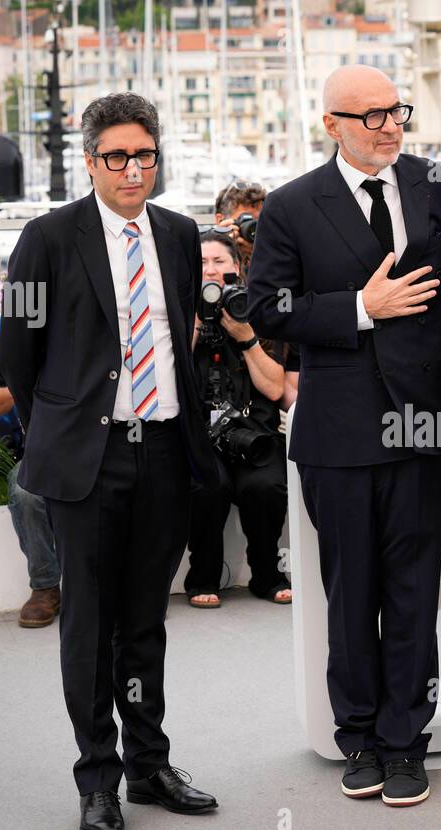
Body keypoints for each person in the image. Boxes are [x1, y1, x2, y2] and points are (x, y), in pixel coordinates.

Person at [247, 64, 441, 807]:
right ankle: (358, 737)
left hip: (426, 418)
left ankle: (406, 742)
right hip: (339, 429)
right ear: (332, 125)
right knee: (349, 592)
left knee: (414, 589)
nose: (390, 126)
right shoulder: (290, 206)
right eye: (372, 115)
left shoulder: (438, 182)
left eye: (398, 111)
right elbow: (267, 309)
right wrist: (360, 306)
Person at [0, 92, 223, 830]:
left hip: (161, 450)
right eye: (117, 156)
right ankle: (97, 779)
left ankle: (150, 765)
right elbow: (20, 358)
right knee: (89, 628)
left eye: (145, 155)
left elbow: (182, 339)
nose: (133, 169)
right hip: (86, 461)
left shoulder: (181, 235)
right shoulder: (48, 238)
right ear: (91, 160)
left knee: (145, 624)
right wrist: (62, 436)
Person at [184, 229, 292, 608]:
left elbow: (276, 388)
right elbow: (172, 376)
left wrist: (245, 336)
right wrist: (196, 321)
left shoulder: (258, 310)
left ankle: (267, 574)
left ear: (237, 267)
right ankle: (203, 576)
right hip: (200, 436)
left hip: (255, 434)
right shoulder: (177, 311)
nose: (210, 270)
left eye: (219, 262)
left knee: (265, 487)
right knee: (206, 487)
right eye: (201, 263)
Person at [0, 351, 61, 627]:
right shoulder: (19, 344)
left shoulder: (89, 333)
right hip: (40, 453)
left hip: (95, 449)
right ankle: (45, 587)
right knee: (24, 491)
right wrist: (25, 382)